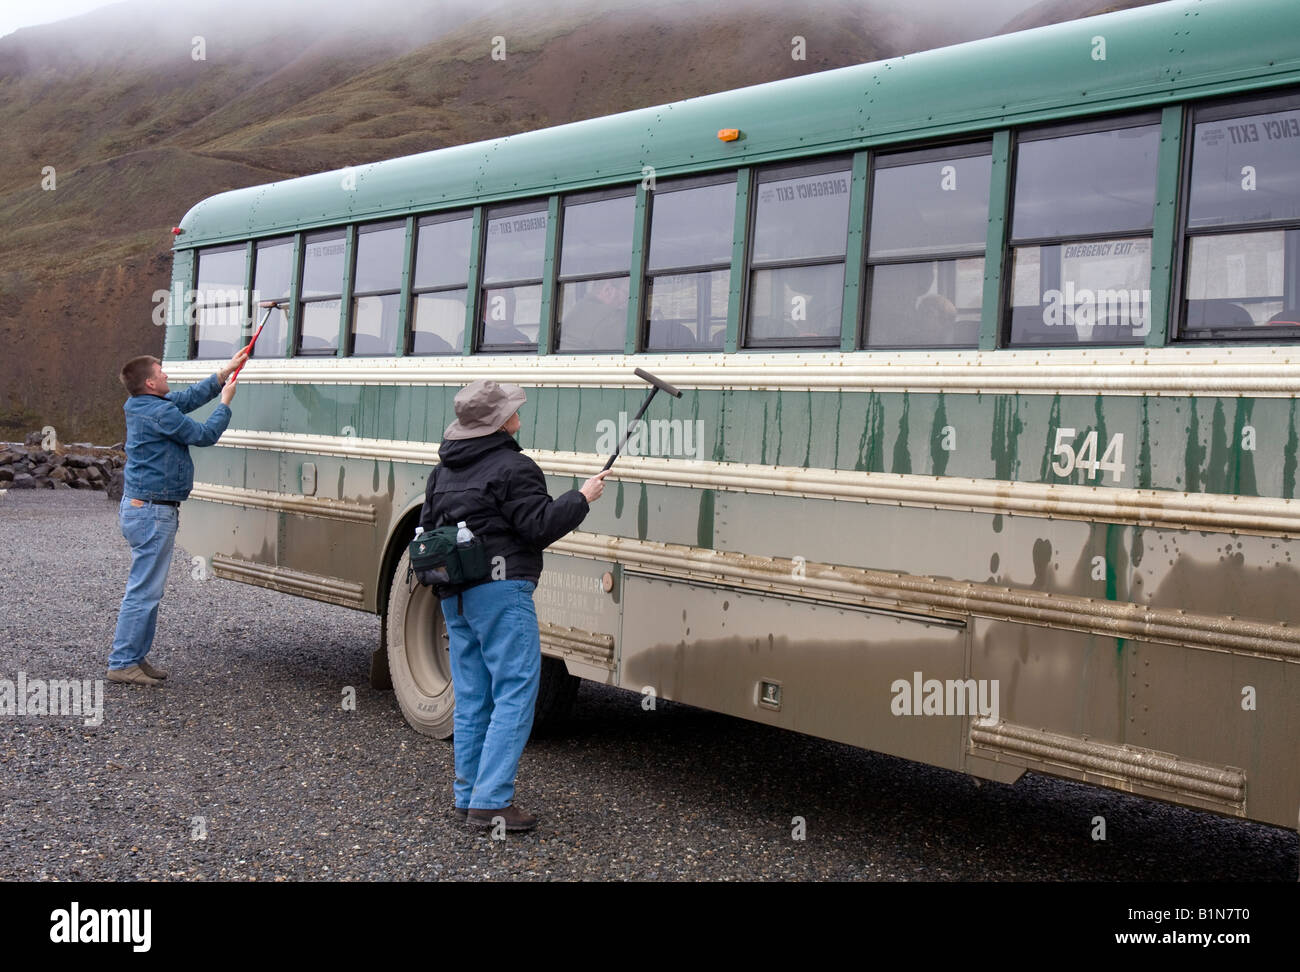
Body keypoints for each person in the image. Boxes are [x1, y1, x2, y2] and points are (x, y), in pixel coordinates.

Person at [419, 378, 609, 832]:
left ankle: (467, 796)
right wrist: (581, 497)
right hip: (502, 594)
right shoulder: (514, 467)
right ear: (501, 422)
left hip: (455, 596)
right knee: (515, 693)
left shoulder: (442, 472)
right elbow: (538, 526)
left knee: (471, 697)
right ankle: (492, 801)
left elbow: (428, 529)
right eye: (511, 410)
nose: (517, 413)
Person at [107, 350, 247, 686]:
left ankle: (134, 658)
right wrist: (225, 402)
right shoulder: (158, 414)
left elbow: (185, 398)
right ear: (151, 382)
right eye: (161, 371)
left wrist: (223, 372)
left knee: (147, 589)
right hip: (153, 513)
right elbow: (204, 435)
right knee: (144, 591)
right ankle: (123, 661)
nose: (166, 374)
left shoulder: (146, 405)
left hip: (145, 510)